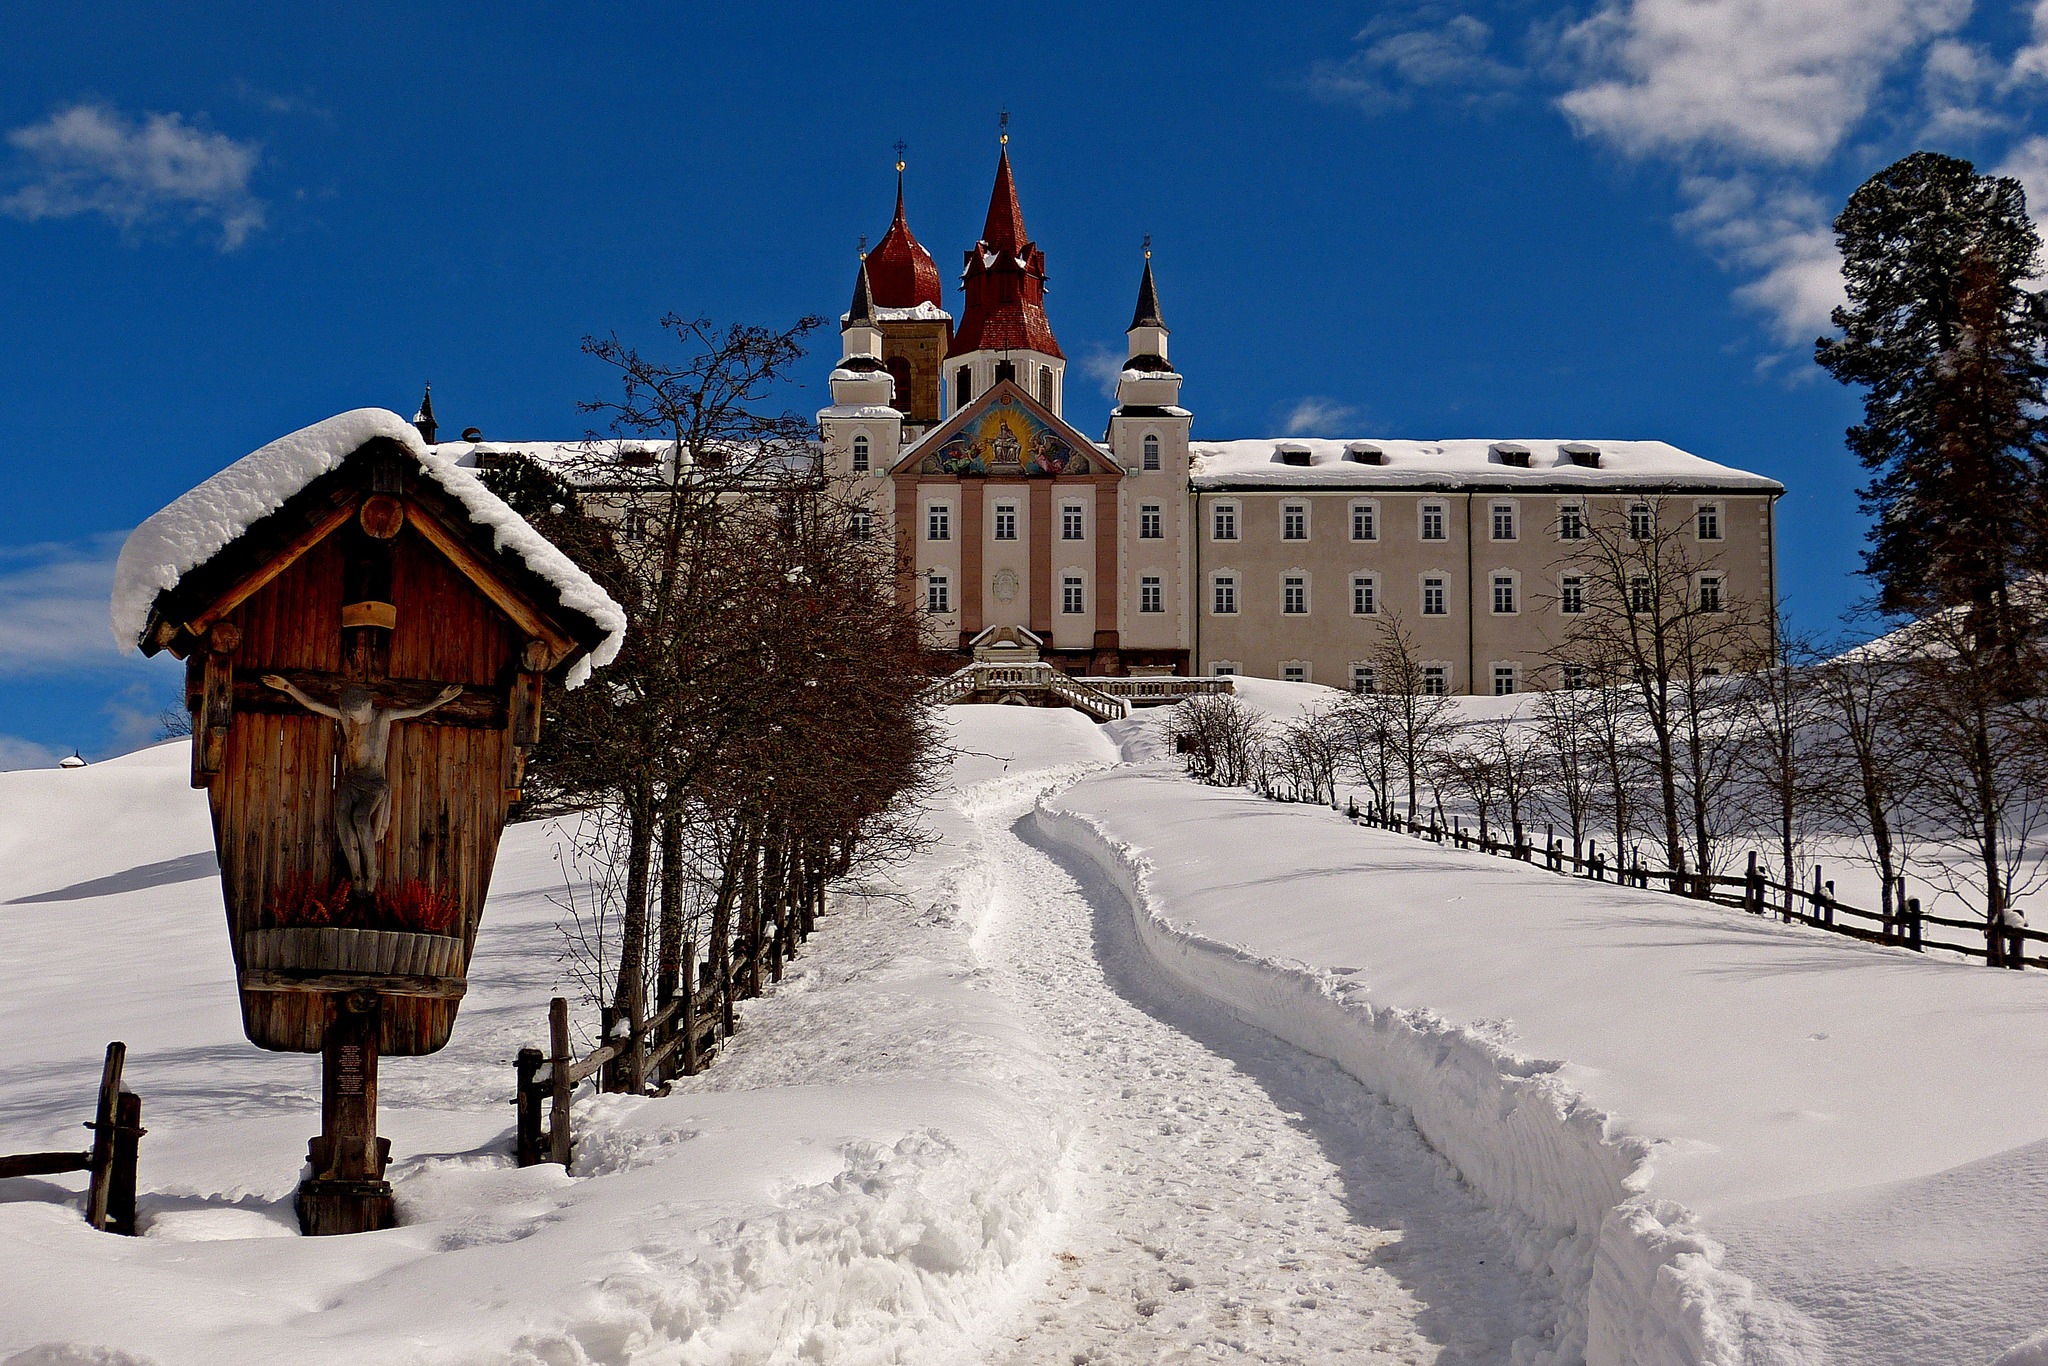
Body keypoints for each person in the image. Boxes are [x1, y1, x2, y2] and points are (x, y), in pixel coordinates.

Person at [262, 675, 463, 894]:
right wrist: (287, 687)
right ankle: (357, 873)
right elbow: (313, 704)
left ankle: (372, 871)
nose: (354, 721)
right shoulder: (346, 718)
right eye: (350, 716)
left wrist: (439, 699)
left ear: (368, 706)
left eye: (357, 716)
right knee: (342, 819)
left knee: (360, 819)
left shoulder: (383, 717)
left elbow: (415, 711)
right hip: (352, 780)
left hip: (374, 782)